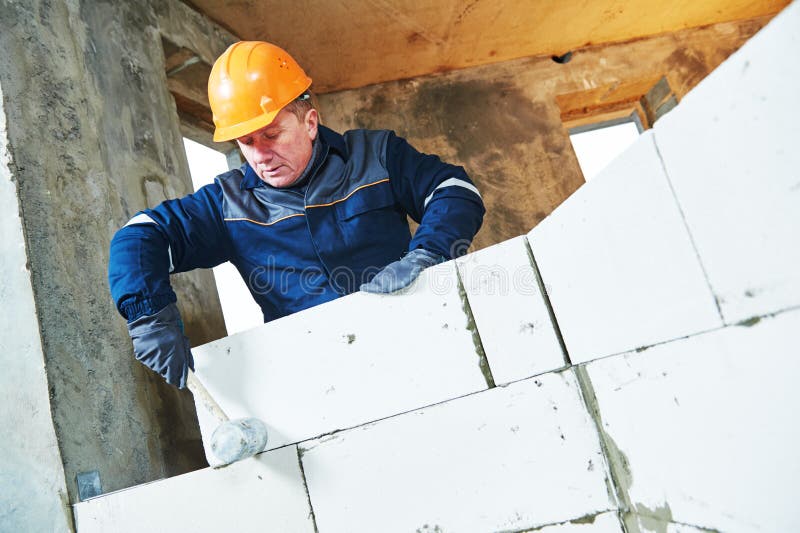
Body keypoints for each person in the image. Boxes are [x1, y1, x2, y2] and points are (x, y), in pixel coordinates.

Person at [108, 41, 484, 388]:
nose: (259, 155)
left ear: (310, 122)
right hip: (315, 380)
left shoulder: (377, 155)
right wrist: (147, 313)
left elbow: (456, 190)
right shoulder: (227, 204)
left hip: (419, 348)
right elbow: (140, 235)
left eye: (271, 134)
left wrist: (426, 254)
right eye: (246, 142)